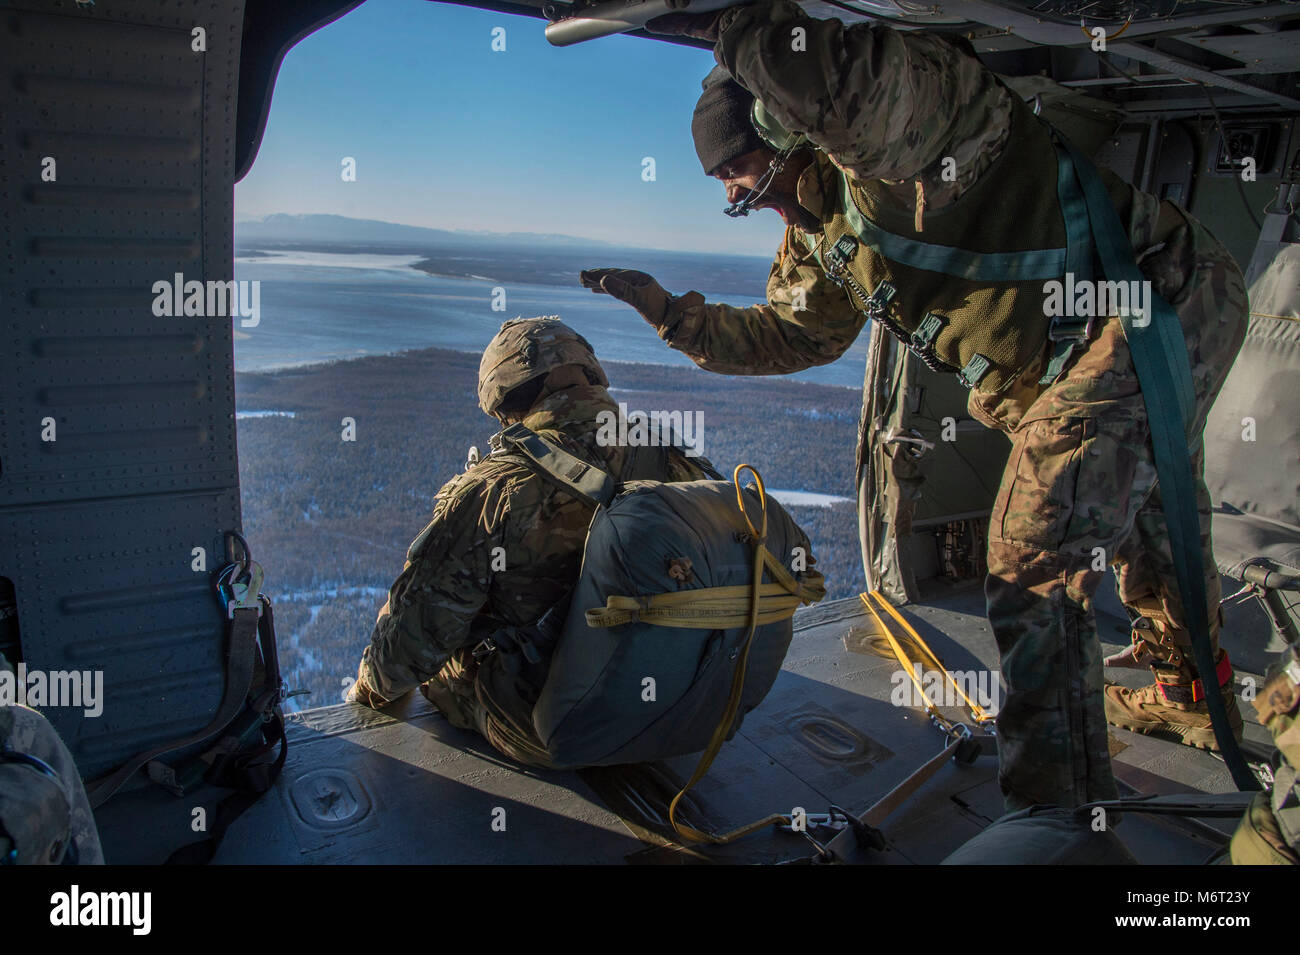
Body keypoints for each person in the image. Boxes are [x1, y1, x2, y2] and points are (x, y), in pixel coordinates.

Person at [582, 0, 1249, 811]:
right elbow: (797, 336)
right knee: (1145, 517)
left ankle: (1061, 820)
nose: (760, 205)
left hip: (1152, 298)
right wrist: (668, 312)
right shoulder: (826, 229)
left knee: (1031, 555)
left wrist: (739, 24)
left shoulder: (919, 137)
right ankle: (1188, 691)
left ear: (786, 128)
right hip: (1100, 341)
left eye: (753, 180)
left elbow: (855, 93)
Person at [346, 316, 713, 766]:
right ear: (590, 374)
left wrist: (367, 688)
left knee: (439, 652)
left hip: (555, 726)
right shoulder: (674, 456)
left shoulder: (497, 489)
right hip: (680, 703)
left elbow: (411, 643)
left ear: (505, 395)